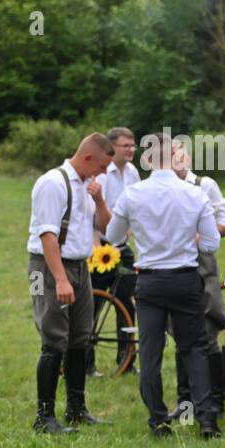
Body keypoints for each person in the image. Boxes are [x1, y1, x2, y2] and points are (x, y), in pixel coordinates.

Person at [107, 134, 220, 438]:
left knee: (150, 352)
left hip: (150, 280)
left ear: (146, 159)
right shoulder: (194, 194)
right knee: (194, 348)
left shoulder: (132, 194)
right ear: (176, 157)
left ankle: (158, 419)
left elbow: (114, 236)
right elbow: (211, 242)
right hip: (185, 278)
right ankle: (207, 419)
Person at [27, 134, 115, 433]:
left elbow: (107, 228)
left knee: (80, 337)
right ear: (88, 158)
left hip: (80, 266)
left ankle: (76, 409)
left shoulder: (87, 187)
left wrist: (100, 199)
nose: (104, 172)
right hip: (49, 267)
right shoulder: (53, 183)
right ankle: (45, 416)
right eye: (102, 166)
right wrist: (61, 280)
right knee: (54, 339)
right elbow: (47, 236)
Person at [170, 143, 225, 418]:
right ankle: (186, 402)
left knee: (208, 328)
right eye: (172, 156)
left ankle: (215, 400)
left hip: (201, 263)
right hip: (172, 265)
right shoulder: (161, 188)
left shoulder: (204, 185)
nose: (177, 160)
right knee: (179, 332)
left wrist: (198, 235)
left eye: (182, 155)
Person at [89, 127, 140, 376]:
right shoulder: (102, 174)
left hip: (122, 247)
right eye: (125, 145)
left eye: (133, 145)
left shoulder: (132, 173)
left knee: (126, 305)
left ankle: (126, 360)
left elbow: (136, 208)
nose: (131, 149)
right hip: (100, 247)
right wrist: (96, 246)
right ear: (112, 146)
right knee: (94, 305)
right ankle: (87, 364)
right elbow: (89, 214)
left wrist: (127, 234)